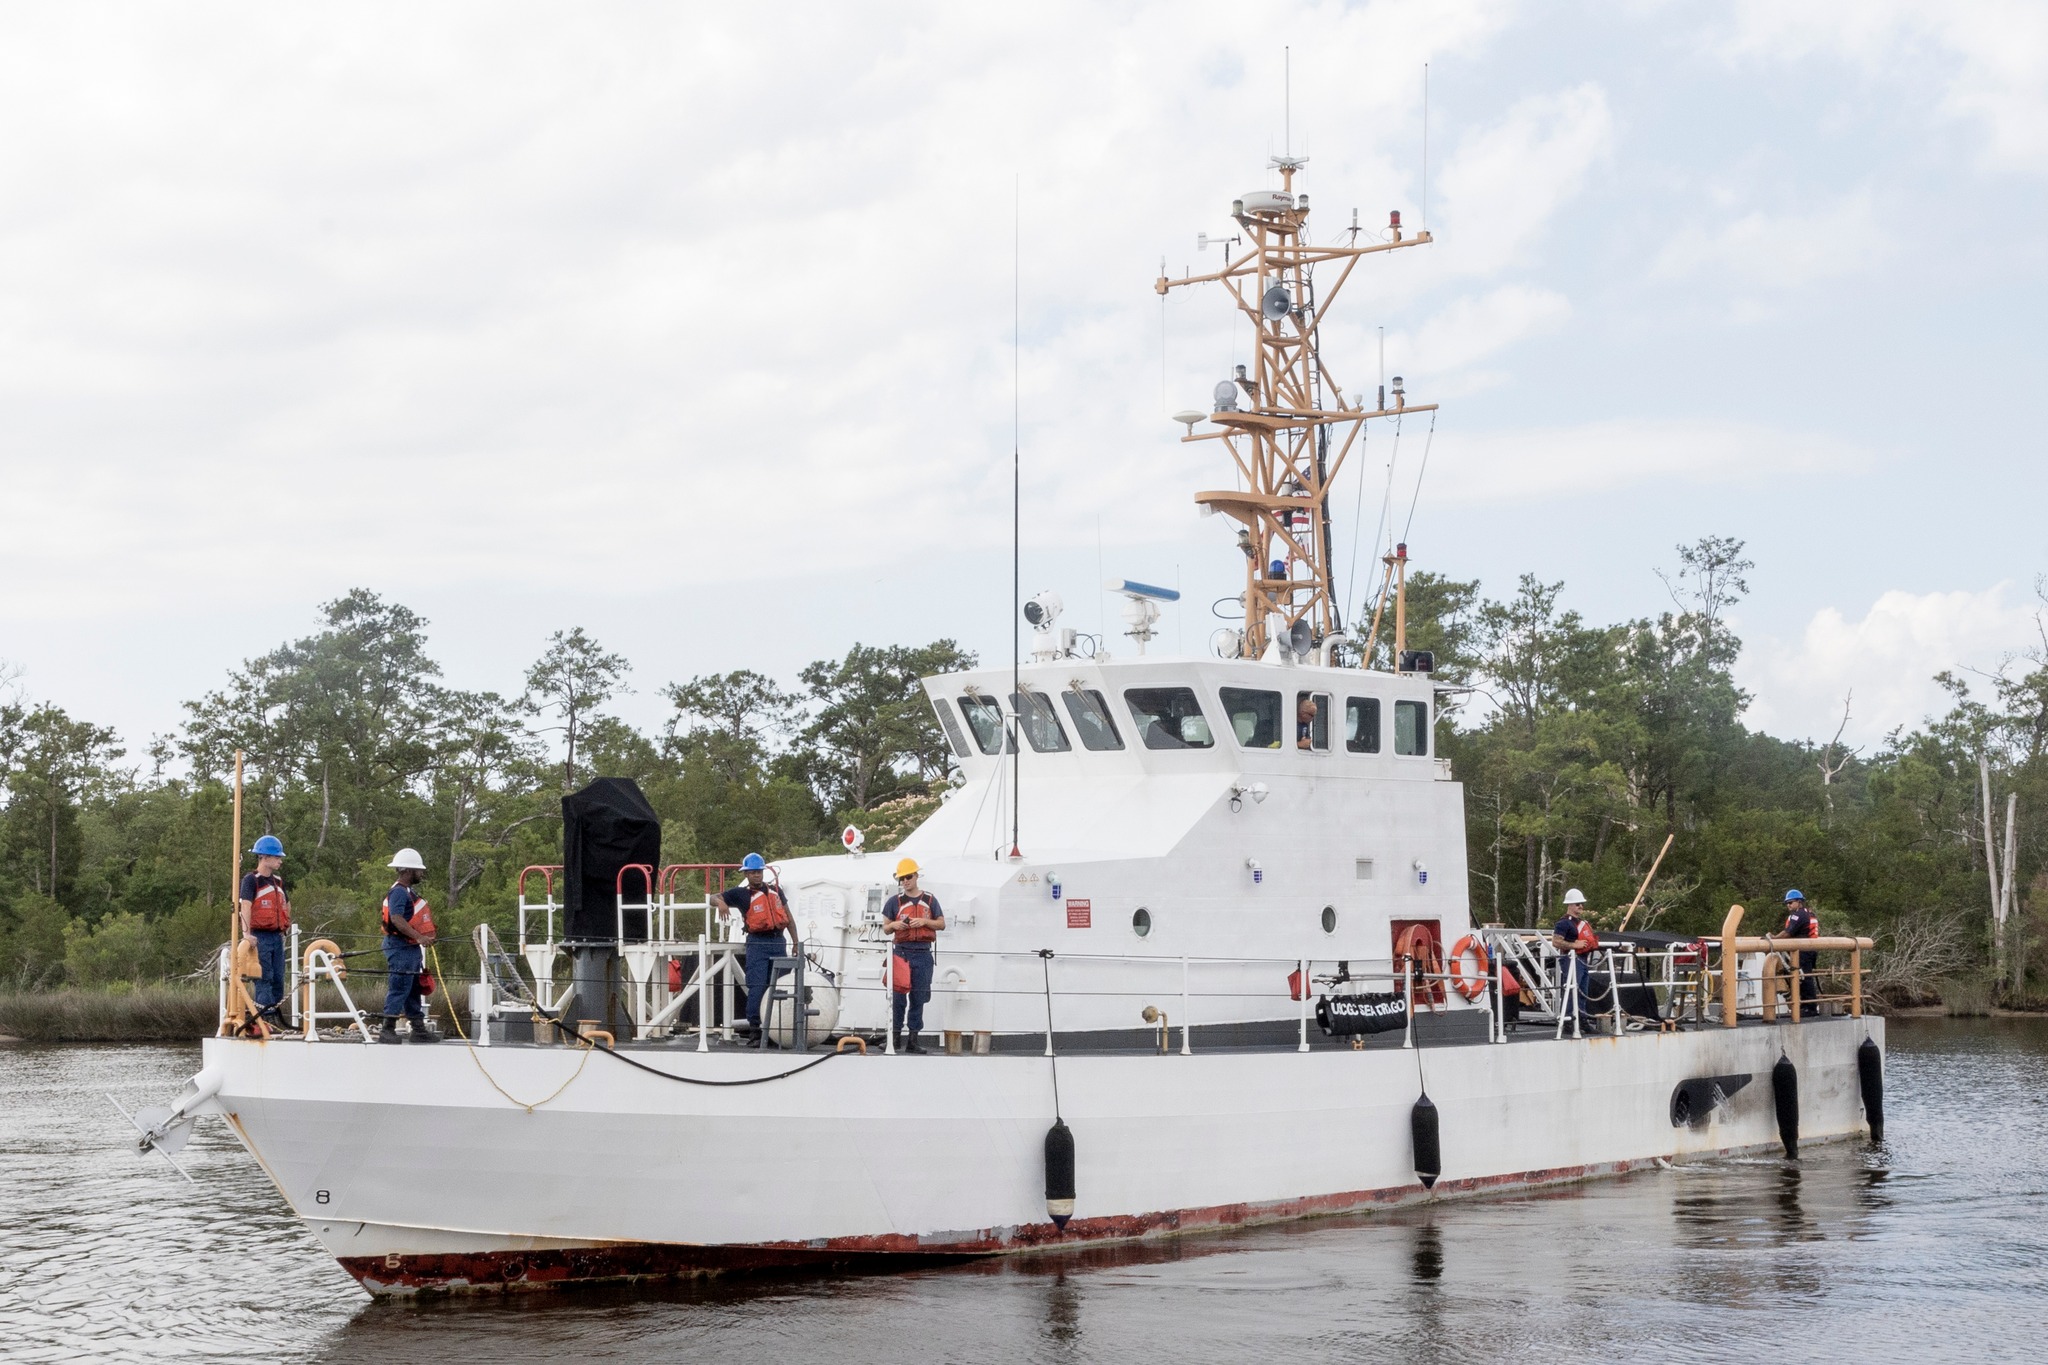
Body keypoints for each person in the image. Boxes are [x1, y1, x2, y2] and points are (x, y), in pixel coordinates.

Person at [716, 854, 796, 1039]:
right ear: (746, 875)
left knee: (780, 987)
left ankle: (778, 1029)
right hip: (757, 943)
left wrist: (796, 942)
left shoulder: (776, 890)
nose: (757, 876)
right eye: (752, 873)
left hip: (778, 942)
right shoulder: (741, 894)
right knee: (757, 986)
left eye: (759, 872)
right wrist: (720, 902)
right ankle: (755, 1031)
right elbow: (713, 897)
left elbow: (788, 917)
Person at [882, 857, 945, 1053]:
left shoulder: (930, 900)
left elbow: (941, 924)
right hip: (901, 953)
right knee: (898, 998)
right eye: (901, 878)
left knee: (918, 998)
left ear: (916, 876)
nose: (905, 881)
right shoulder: (894, 902)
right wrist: (894, 925)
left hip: (923, 953)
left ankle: (913, 1040)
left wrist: (924, 922)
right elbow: (886, 928)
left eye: (908, 877)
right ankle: (894, 1038)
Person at [379, 848, 438, 1044]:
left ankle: (418, 1029)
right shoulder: (399, 893)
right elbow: (396, 919)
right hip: (400, 947)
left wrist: (422, 937)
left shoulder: (407, 892)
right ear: (407, 871)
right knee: (399, 986)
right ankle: (387, 1030)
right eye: (418, 870)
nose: (421, 873)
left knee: (412, 988)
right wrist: (419, 937)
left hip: (409, 947)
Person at [238, 835, 291, 1025]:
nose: (280, 860)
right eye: (277, 857)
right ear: (264, 857)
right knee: (264, 978)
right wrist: (246, 935)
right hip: (260, 937)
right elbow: (245, 906)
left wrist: (285, 927)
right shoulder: (251, 880)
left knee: (278, 979)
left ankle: (275, 1019)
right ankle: (264, 1021)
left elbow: (287, 904)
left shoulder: (278, 882)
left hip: (277, 937)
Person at [1551, 889, 1599, 1032]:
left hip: (1583, 959)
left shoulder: (1582, 922)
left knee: (1582, 990)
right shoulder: (1564, 923)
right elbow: (1556, 942)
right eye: (1578, 904)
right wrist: (1574, 945)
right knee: (1573, 989)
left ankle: (1581, 1018)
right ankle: (1568, 1020)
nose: (1581, 907)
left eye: (1581, 904)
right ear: (1570, 905)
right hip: (1571, 959)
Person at [1779, 889, 1821, 1016]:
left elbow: (1788, 933)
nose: (1788, 905)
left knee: (1804, 978)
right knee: (1804, 977)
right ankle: (1806, 1005)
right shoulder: (1809, 913)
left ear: (1799, 902)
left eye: (1790, 902)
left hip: (1802, 951)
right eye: (1787, 903)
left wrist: (1773, 939)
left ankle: (1809, 1007)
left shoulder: (1798, 915)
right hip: (1809, 950)